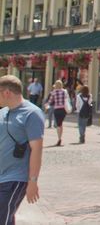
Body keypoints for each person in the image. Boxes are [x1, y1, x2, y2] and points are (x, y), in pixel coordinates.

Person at [0, 75, 44, 224]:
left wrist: (33, 181)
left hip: (15, 177)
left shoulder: (32, 114)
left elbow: (37, 150)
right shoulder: (3, 112)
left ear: (6, 93)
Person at [48, 80, 69, 147]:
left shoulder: (53, 92)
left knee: (58, 124)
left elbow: (50, 101)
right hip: (63, 109)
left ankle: (59, 138)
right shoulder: (65, 91)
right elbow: (67, 99)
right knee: (60, 123)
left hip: (57, 109)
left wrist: (47, 105)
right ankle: (60, 137)